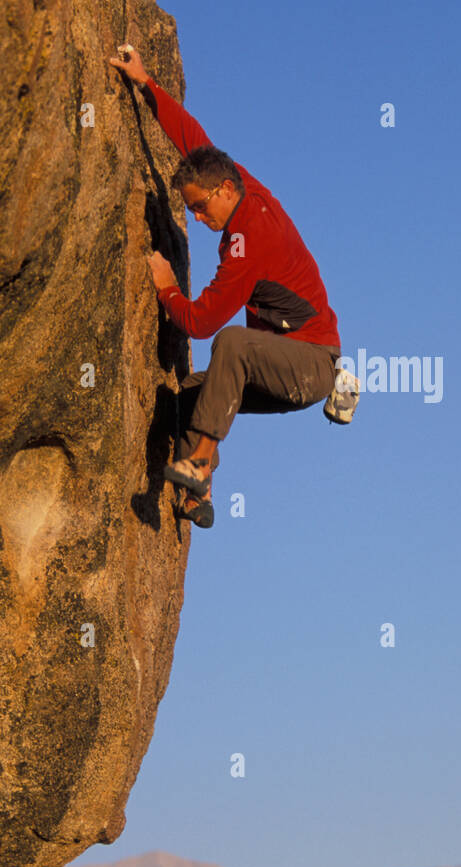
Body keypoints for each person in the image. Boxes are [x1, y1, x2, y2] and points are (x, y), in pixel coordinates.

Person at [108, 44, 341, 528]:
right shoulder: (238, 184)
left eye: (198, 207)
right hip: (281, 358)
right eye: (190, 208)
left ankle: (196, 463)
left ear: (225, 192)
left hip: (310, 365)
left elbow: (201, 323)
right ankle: (198, 498)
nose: (195, 217)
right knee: (190, 395)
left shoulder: (247, 243)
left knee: (229, 342)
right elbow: (194, 141)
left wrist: (168, 288)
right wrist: (146, 83)